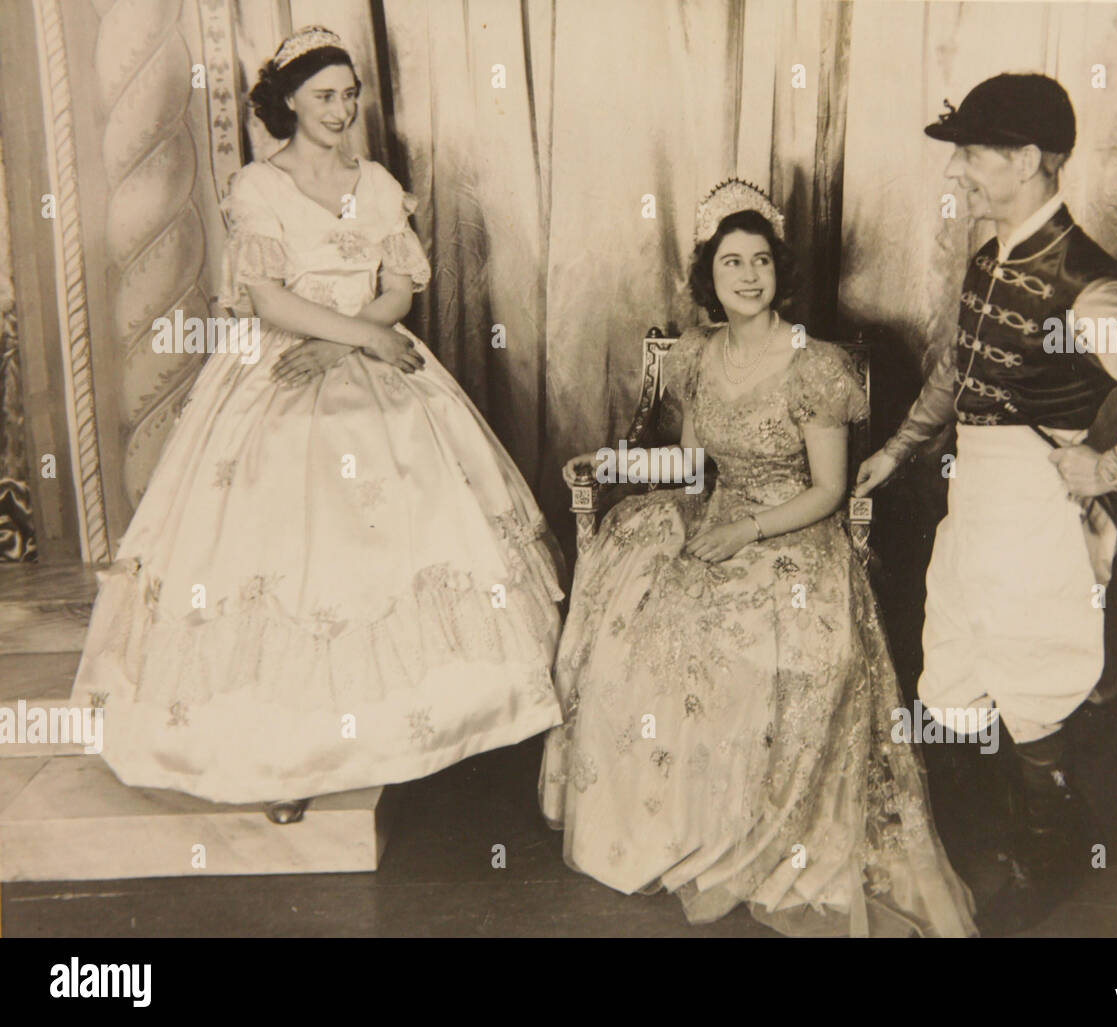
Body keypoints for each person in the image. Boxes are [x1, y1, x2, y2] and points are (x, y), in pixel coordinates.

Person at [69, 26, 564, 822]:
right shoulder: (258, 189)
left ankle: (416, 736)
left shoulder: (375, 184)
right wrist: (355, 338)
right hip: (277, 366)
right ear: (290, 101)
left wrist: (360, 342)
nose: (343, 109)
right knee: (280, 552)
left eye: (351, 94)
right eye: (326, 96)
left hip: (365, 356)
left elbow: (398, 291)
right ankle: (285, 755)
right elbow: (269, 302)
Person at [539, 180, 976, 937]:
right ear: (707, 276)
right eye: (730, 262)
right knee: (636, 632)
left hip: (792, 533)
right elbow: (688, 466)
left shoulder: (816, 363)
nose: (747, 276)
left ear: (780, 271)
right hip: (713, 513)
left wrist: (747, 533)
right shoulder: (698, 357)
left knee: (745, 651)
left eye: (761, 261)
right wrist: (609, 463)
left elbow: (831, 490)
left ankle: (752, 838)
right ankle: (669, 831)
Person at [853, 73, 1117, 930]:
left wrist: (1112, 464)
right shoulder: (992, 258)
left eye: (971, 156)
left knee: (1030, 670)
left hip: (1034, 505)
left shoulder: (1088, 285)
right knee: (958, 664)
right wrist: (897, 449)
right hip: (975, 496)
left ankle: (1051, 853)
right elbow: (959, 368)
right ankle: (1019, 826)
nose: (956, 174)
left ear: (1027, 159)